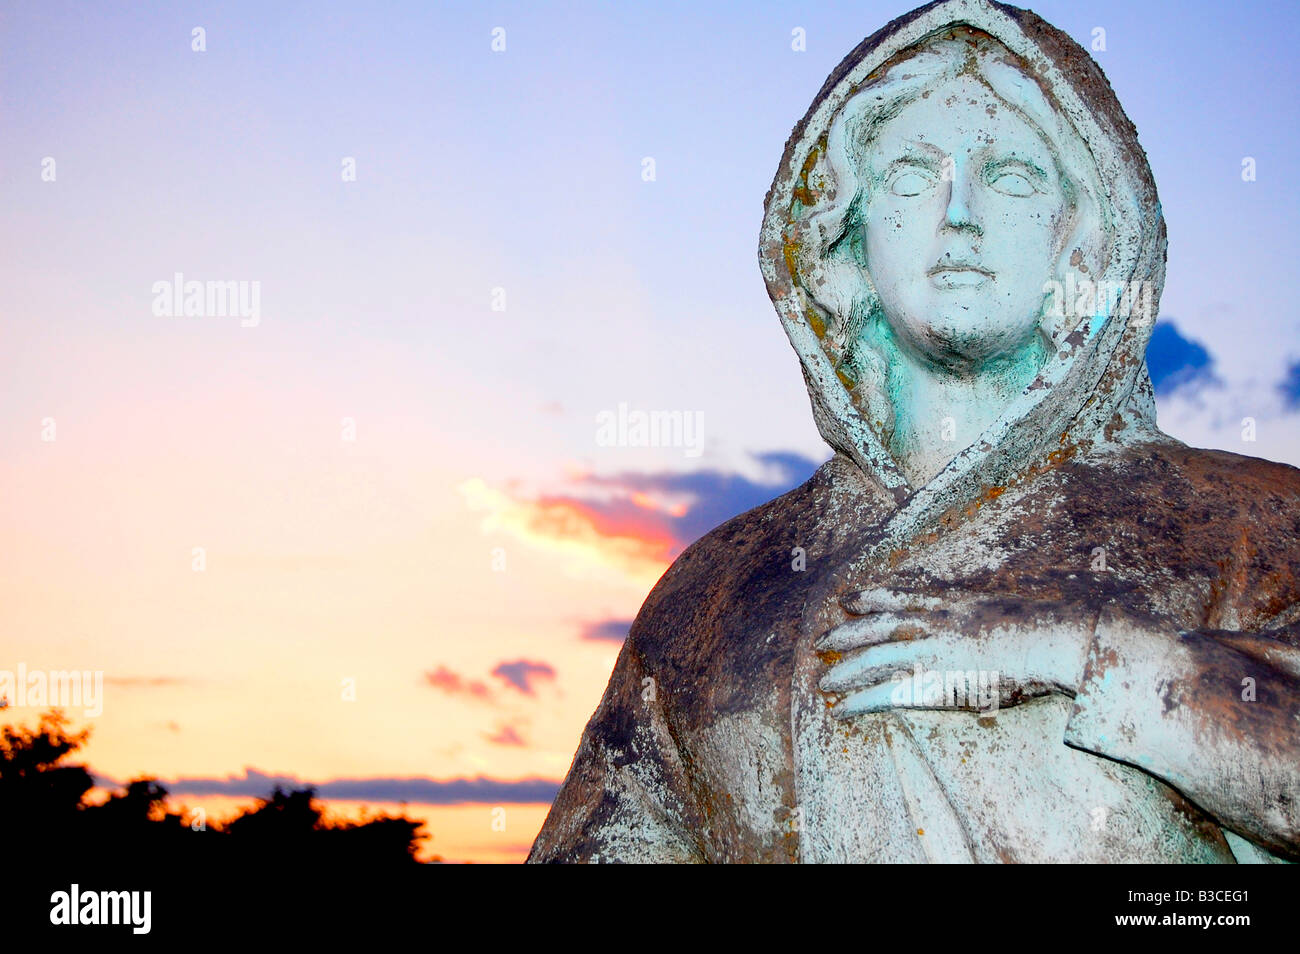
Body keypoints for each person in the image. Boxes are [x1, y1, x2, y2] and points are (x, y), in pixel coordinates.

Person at [528, 0, 1300, 863]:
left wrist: (1088, 653)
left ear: (1081, 243)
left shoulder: (1255, 526)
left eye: (1010, 177)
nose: (958, 215)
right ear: (847, 244)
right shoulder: (712, 595)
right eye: (909, 178)